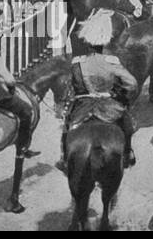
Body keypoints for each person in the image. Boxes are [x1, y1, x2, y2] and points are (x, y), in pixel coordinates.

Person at [59, 24, 139, 169]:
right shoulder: (111, 61)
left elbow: (68, 85)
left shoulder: (77, 62)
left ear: (87, 44)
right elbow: (132, 83)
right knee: (127, 125)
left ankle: (64, 158)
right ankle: (127, 153)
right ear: (104, 43)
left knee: (67, 125)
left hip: (82, 105)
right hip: (109, 106)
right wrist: (122, 95)